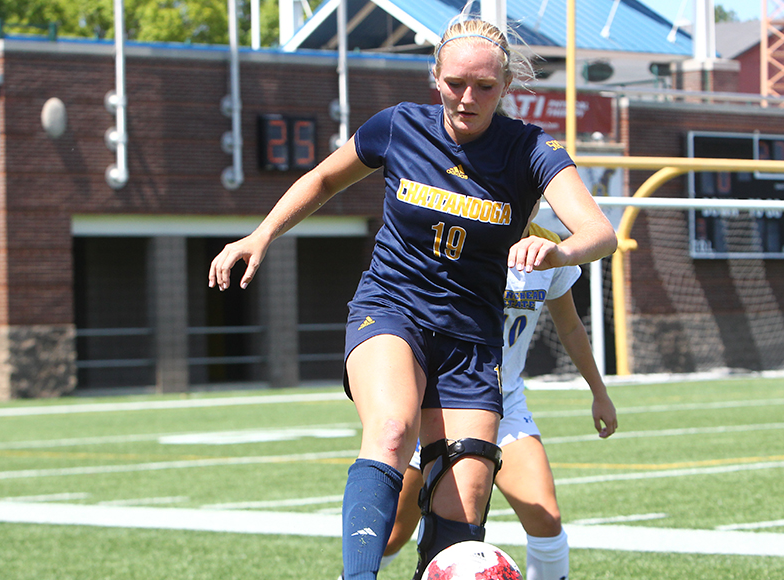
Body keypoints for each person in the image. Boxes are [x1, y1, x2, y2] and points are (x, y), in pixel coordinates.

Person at [209, 16, 617, 580]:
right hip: (391, 310)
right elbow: (324, 180)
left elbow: (601, 233)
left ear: (505, 87)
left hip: (472, 339)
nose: (467, 98)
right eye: (455, 84)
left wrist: (560, 253)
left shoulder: (530, 149)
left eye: (484, 87)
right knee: (392, 429)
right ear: (435, 76)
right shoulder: (397, 126)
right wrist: (261, 234)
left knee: (463, 507)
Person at [365, 219, 618, 580]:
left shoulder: (550, 247)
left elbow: (571, 326)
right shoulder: (462, 239)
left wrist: (599, 392)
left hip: (506, 403)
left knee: (547, 517)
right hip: (443, 405)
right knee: (393, 535)